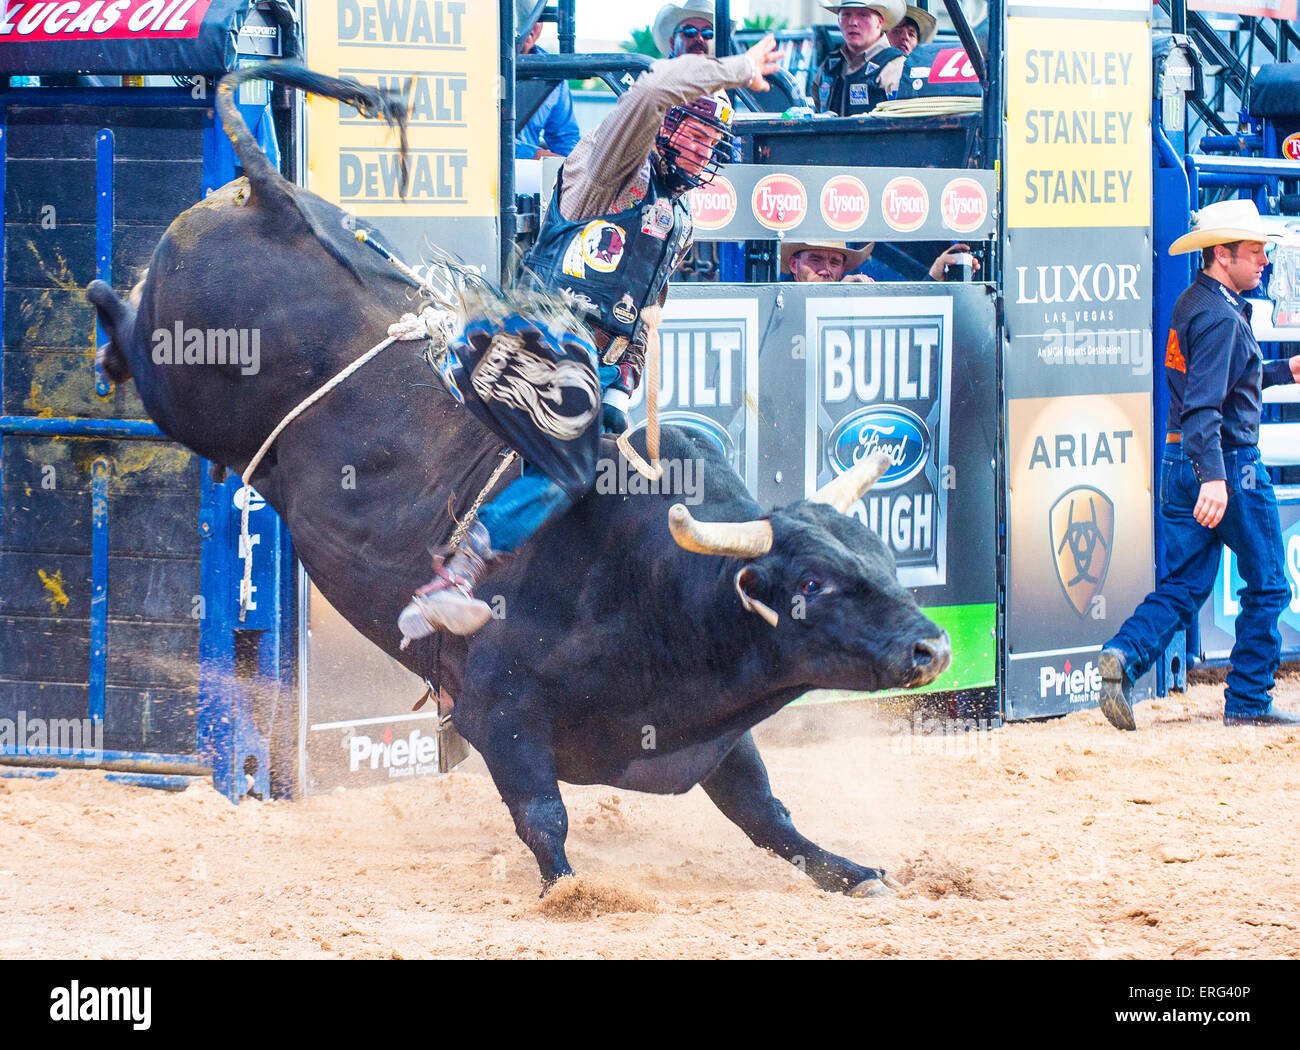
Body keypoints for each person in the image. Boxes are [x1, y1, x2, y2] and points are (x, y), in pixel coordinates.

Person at [398, 36, 784, 641]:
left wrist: (621, 387)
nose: (703, 147)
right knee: (572, 472)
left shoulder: (677, 221)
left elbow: (645, 321)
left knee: (606, 482)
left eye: (712, 140)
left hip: (586, 372)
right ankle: (457, 572)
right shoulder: (609, 170)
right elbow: (654, 89)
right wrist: (734, 71)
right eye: (694, 132)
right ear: (664, 128)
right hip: (532, 341)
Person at [1098, 199, 1300, 730]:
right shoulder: (1221, 316)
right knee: (1270, 584)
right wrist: (1215, 476)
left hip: (1179, 459)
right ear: (1222, 254)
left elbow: (1216, 385)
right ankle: (1250, 699)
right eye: (1253, 251)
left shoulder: (1195, 303)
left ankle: (1124, 652)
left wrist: (1283, 369)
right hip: (1226, 462)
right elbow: (1206, 404)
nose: (1262, 261)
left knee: (1186, 583)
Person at [809, 0, 907, 116]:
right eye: (846, 15)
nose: (853, 22)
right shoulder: (830, 65)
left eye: (863, 15)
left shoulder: (895, 65)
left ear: (880, 22)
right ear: (839, 22)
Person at [515, 14, 581, 160]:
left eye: (536, 13)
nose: (530, 22)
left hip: (527, 176)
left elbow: (564, 138)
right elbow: (481, 137)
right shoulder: (475, 64)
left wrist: (576, 167)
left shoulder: (552, 71)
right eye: (522, 11)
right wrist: (535, 155)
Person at [781, 240, 980, 282]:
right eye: (816, 259)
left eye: (834, 262)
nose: (825, 269)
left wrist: (935, 274)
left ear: (842, 269)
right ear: (793, 264)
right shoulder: (774, 305)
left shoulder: (850, 304)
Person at [653, 0, 717, 59]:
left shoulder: (723, 70)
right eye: (690, 31)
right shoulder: (660, 70)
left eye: (708, 33)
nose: (699, 38)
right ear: (673, 43)